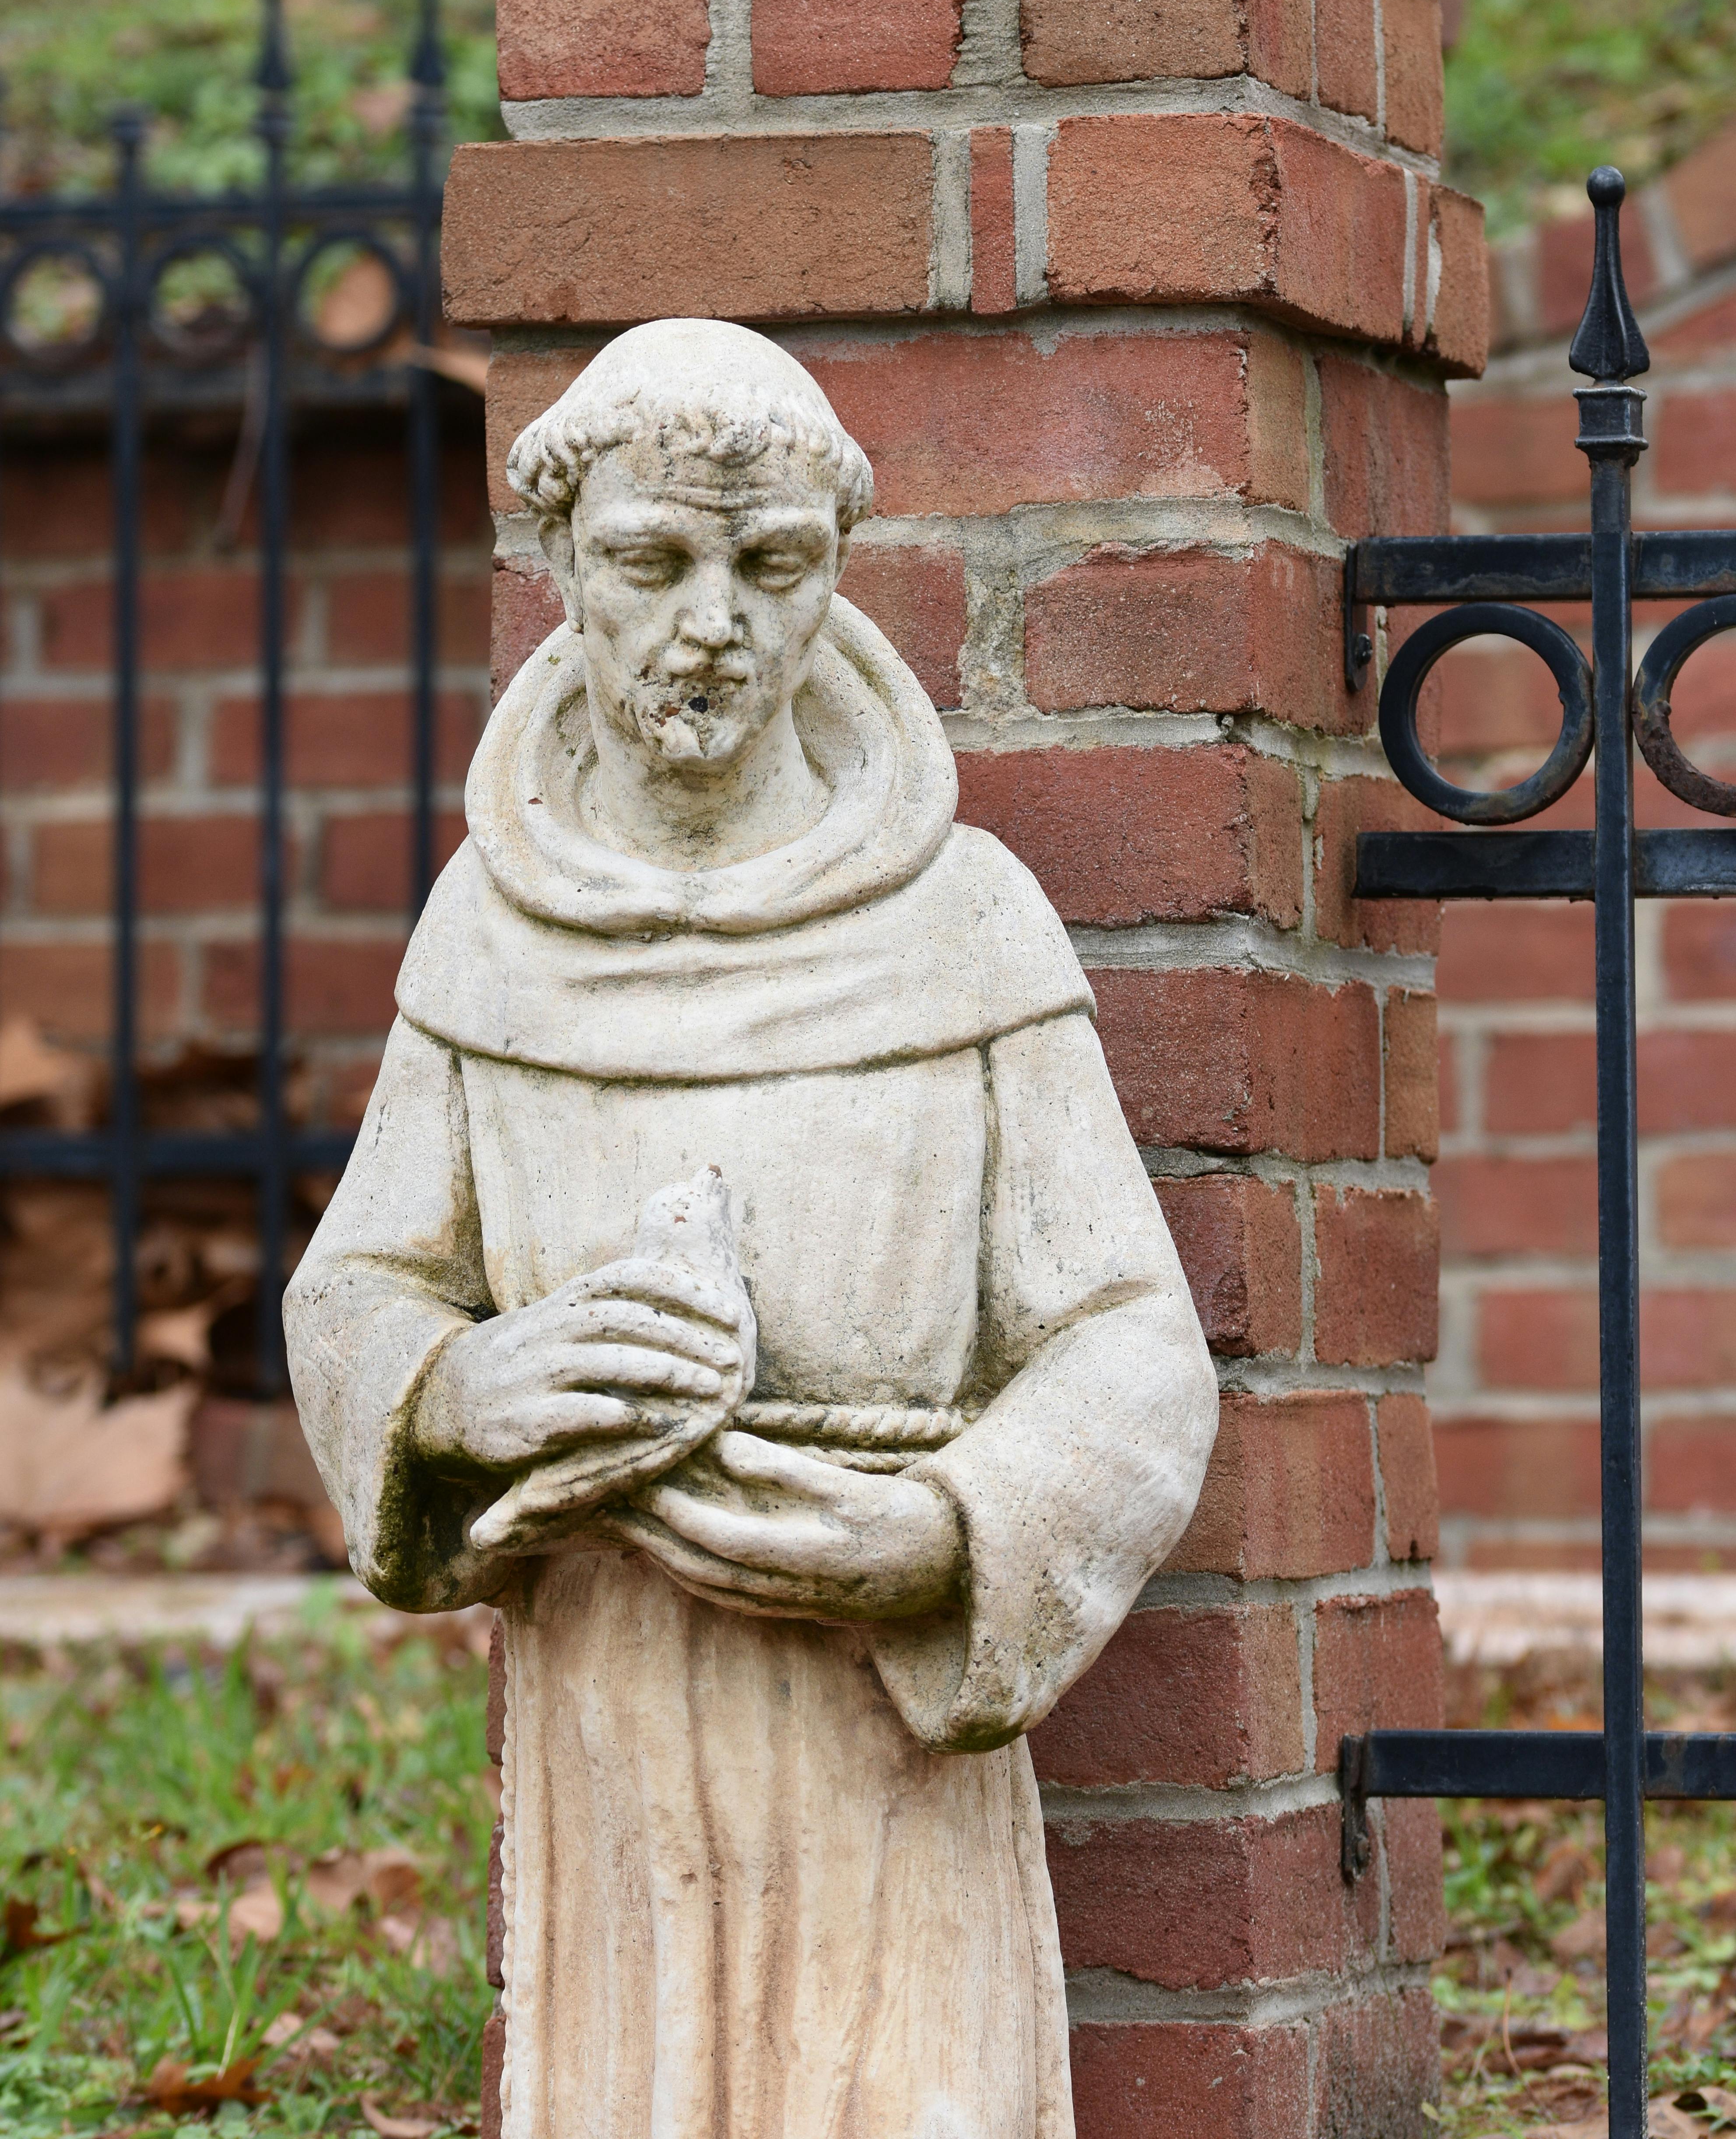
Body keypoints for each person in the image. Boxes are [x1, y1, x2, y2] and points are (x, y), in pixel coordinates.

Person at [285, 316, 1218, 2139]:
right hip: (615, 1696)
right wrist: (462, 1389)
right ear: (564, 572)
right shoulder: (494, 929)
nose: (711, 621)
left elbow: (1126, 1341)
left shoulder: (962, 923)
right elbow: (362, 1286)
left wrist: (949, 1529)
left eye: (769, 564)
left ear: (830, 581)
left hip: (873, 1701)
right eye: (651, 561)